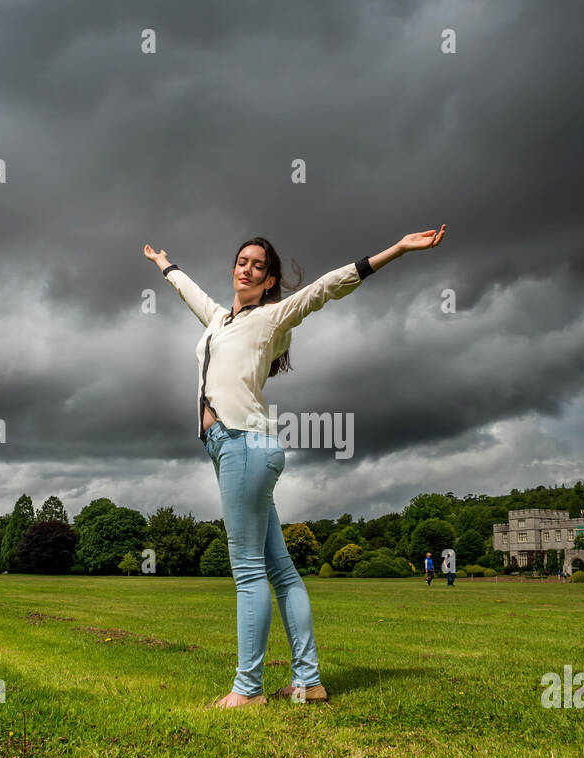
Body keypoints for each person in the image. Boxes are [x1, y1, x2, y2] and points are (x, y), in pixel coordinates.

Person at [144, 225, 447, 708]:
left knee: (248, 572)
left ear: (269, 281)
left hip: (243, 445)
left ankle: (248, 689)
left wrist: (397, 249)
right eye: (241, 261)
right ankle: (309, 682)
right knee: (281, 572)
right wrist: (165, 265)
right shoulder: (219, 320)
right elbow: (190, 292)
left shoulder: (272, 317)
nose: (247, 269)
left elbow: (326, 287)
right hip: (238, 448)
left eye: (258, 266)